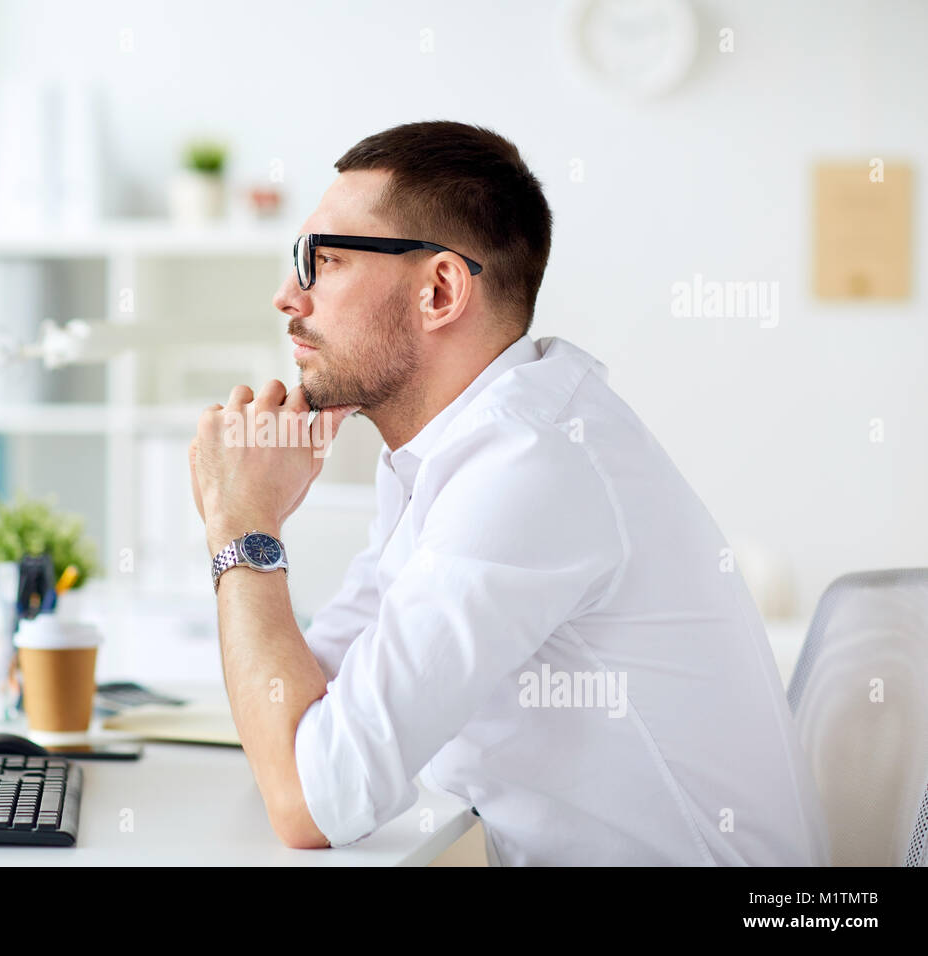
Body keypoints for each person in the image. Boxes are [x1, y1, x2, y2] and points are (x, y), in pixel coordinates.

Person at [188, 120, 830, 866]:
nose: (286, 297)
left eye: (321, 261)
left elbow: (311, 801)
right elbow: (294, 722)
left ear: (439, 289)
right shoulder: (445, 458)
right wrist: (249, 525)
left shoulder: (532, 465)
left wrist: (242, 522)